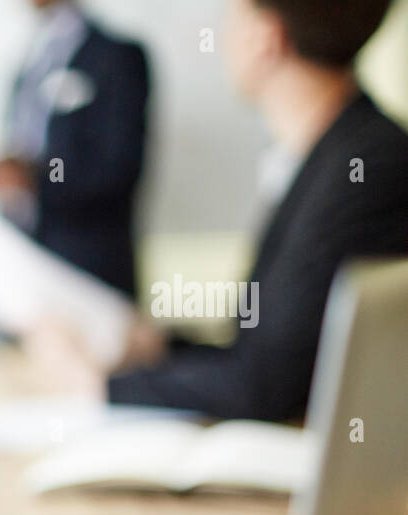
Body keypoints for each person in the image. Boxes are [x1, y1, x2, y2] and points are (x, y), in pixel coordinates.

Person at [30, 0, 408, 422]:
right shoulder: (330, 154)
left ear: (264, 38)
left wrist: (96, 386)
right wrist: (159, 346)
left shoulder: (366, 168)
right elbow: (267, 350)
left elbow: (264, 385)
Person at [0, 0, 150, 298]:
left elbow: (119, 169)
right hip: (21, 267)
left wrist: (33, 178)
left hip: (88, 275)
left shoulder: (117, 56)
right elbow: (17, 150)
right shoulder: (27, 64)